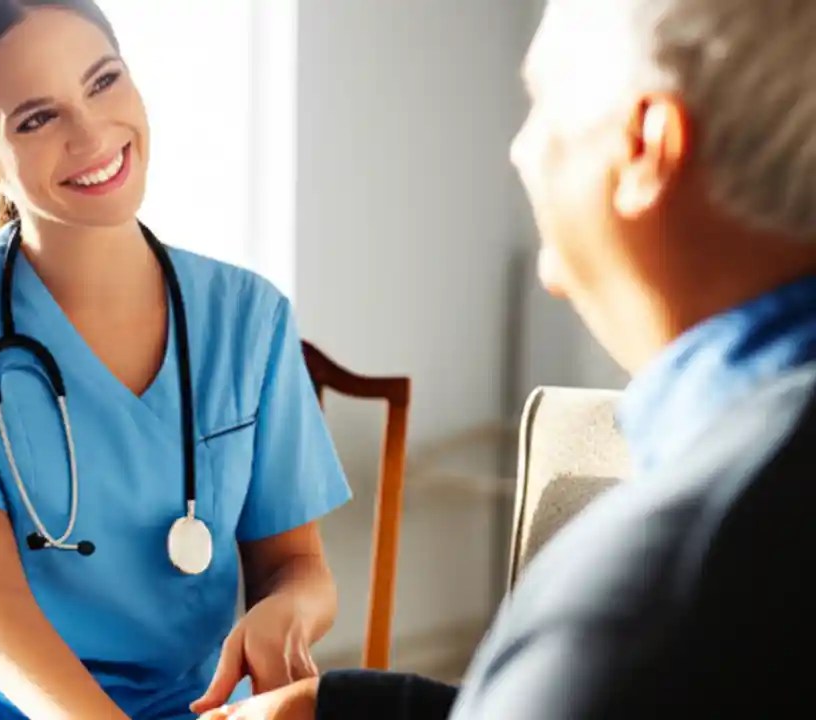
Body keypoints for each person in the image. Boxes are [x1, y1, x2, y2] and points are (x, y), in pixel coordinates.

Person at [198, 0, 816, 718]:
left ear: (646, 147)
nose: (521, 150)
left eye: (544, 102)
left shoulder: (652, 598)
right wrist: (336, 707)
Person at [0, 1, 352, 718]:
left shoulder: (250, 318)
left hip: (192, 706)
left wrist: (290, 609)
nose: (91, 134)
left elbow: (296, 565)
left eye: (103, 81)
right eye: (37, 118)